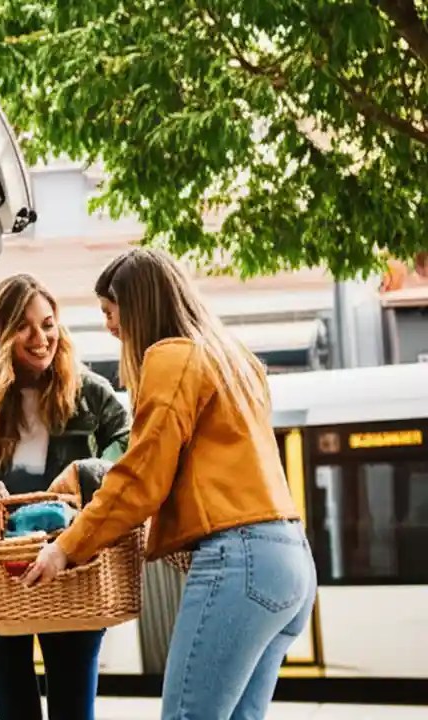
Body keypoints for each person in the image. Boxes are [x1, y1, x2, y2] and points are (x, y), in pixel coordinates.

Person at [23, 248, 317, 720]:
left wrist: (65, 548)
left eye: (110, 313)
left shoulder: (170, 357)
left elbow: (142, 476)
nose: (109, 327)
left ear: (137, 307)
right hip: (290, 559)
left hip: (238, 558)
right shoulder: (233, 358)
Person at [0, 273, 131, 720]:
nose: (41, 337)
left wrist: (88, 472)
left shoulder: (90, 394)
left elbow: (130, 446)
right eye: (24, 326)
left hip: (72, 571)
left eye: (48, 323)